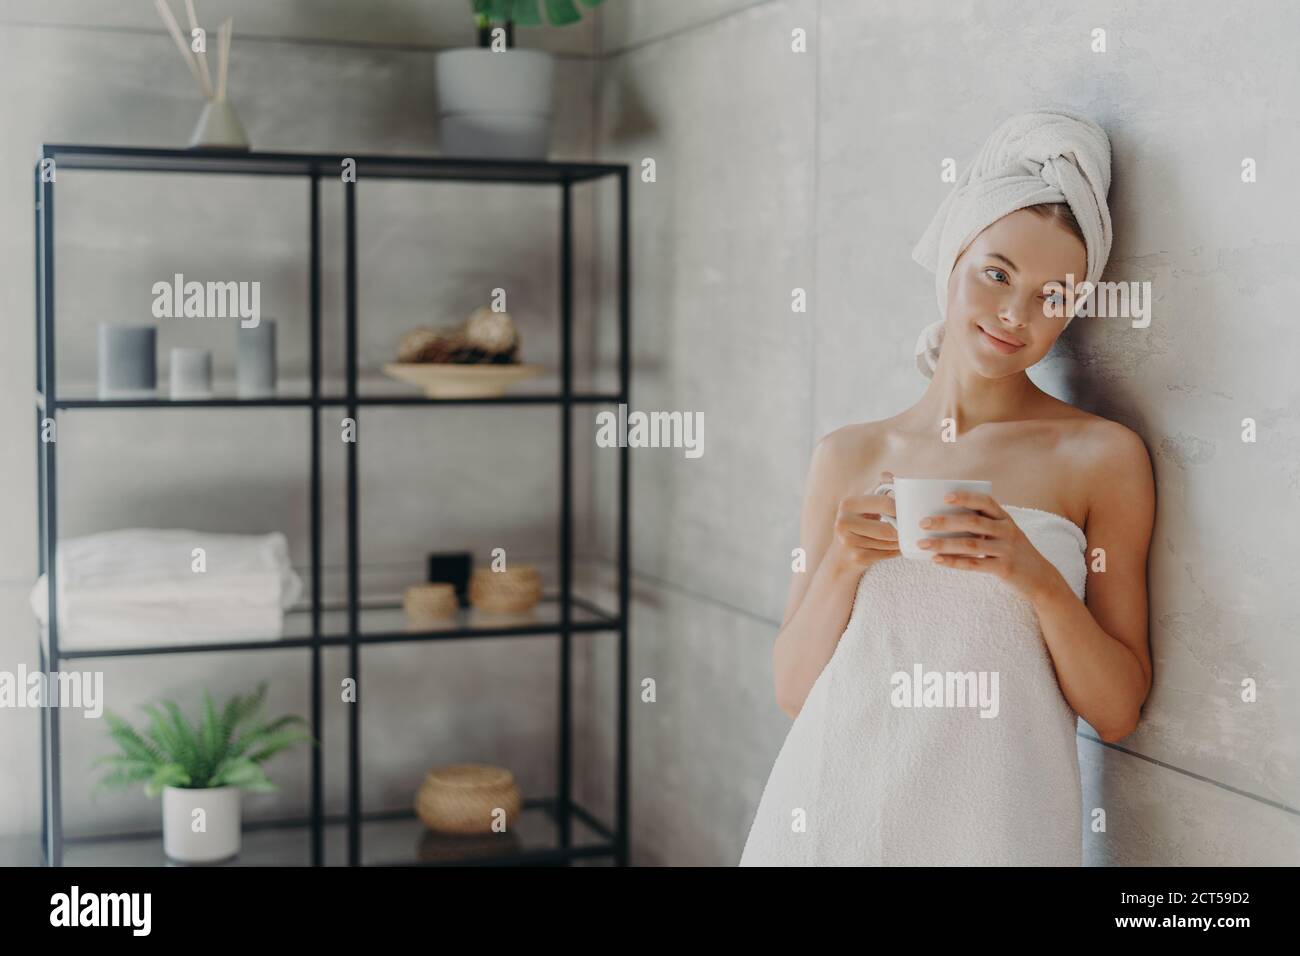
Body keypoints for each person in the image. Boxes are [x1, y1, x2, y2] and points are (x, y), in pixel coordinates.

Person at [739, 109, 1155, 866]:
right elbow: (796, 692)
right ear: (952, 260)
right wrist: (842, 561)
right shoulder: (848, 454)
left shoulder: (1101, 456)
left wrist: (1033, 576)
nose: (1014, 314)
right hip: (831, 821)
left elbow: (1119, 709)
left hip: (999, 835)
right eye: (996, 274)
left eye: (1052, 296)